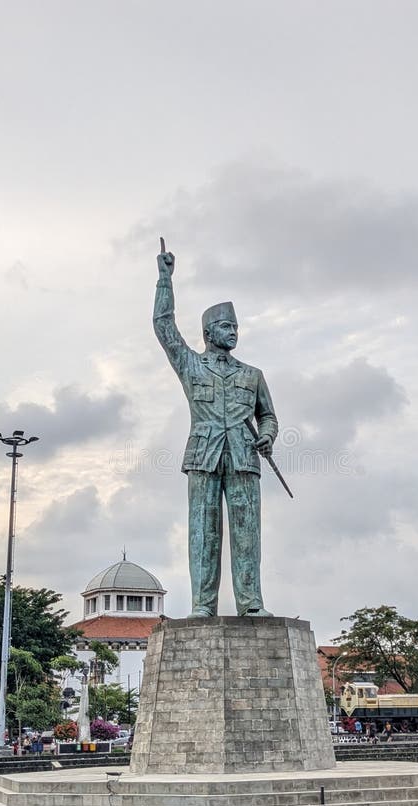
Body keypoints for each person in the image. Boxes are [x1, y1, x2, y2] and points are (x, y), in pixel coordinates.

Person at [153, 243, 279, 617]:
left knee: (247, 535)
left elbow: (268, 415)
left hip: (243, 457)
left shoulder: (251, 375)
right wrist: (164, 280)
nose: (234, 332)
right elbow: (163, 327)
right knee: (203, 534)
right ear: (209, 332)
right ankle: (202, 606)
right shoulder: (191, 365)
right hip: (204, 457)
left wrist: (268, 435)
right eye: (227, 326)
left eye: (236, 327)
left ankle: (252, 605)